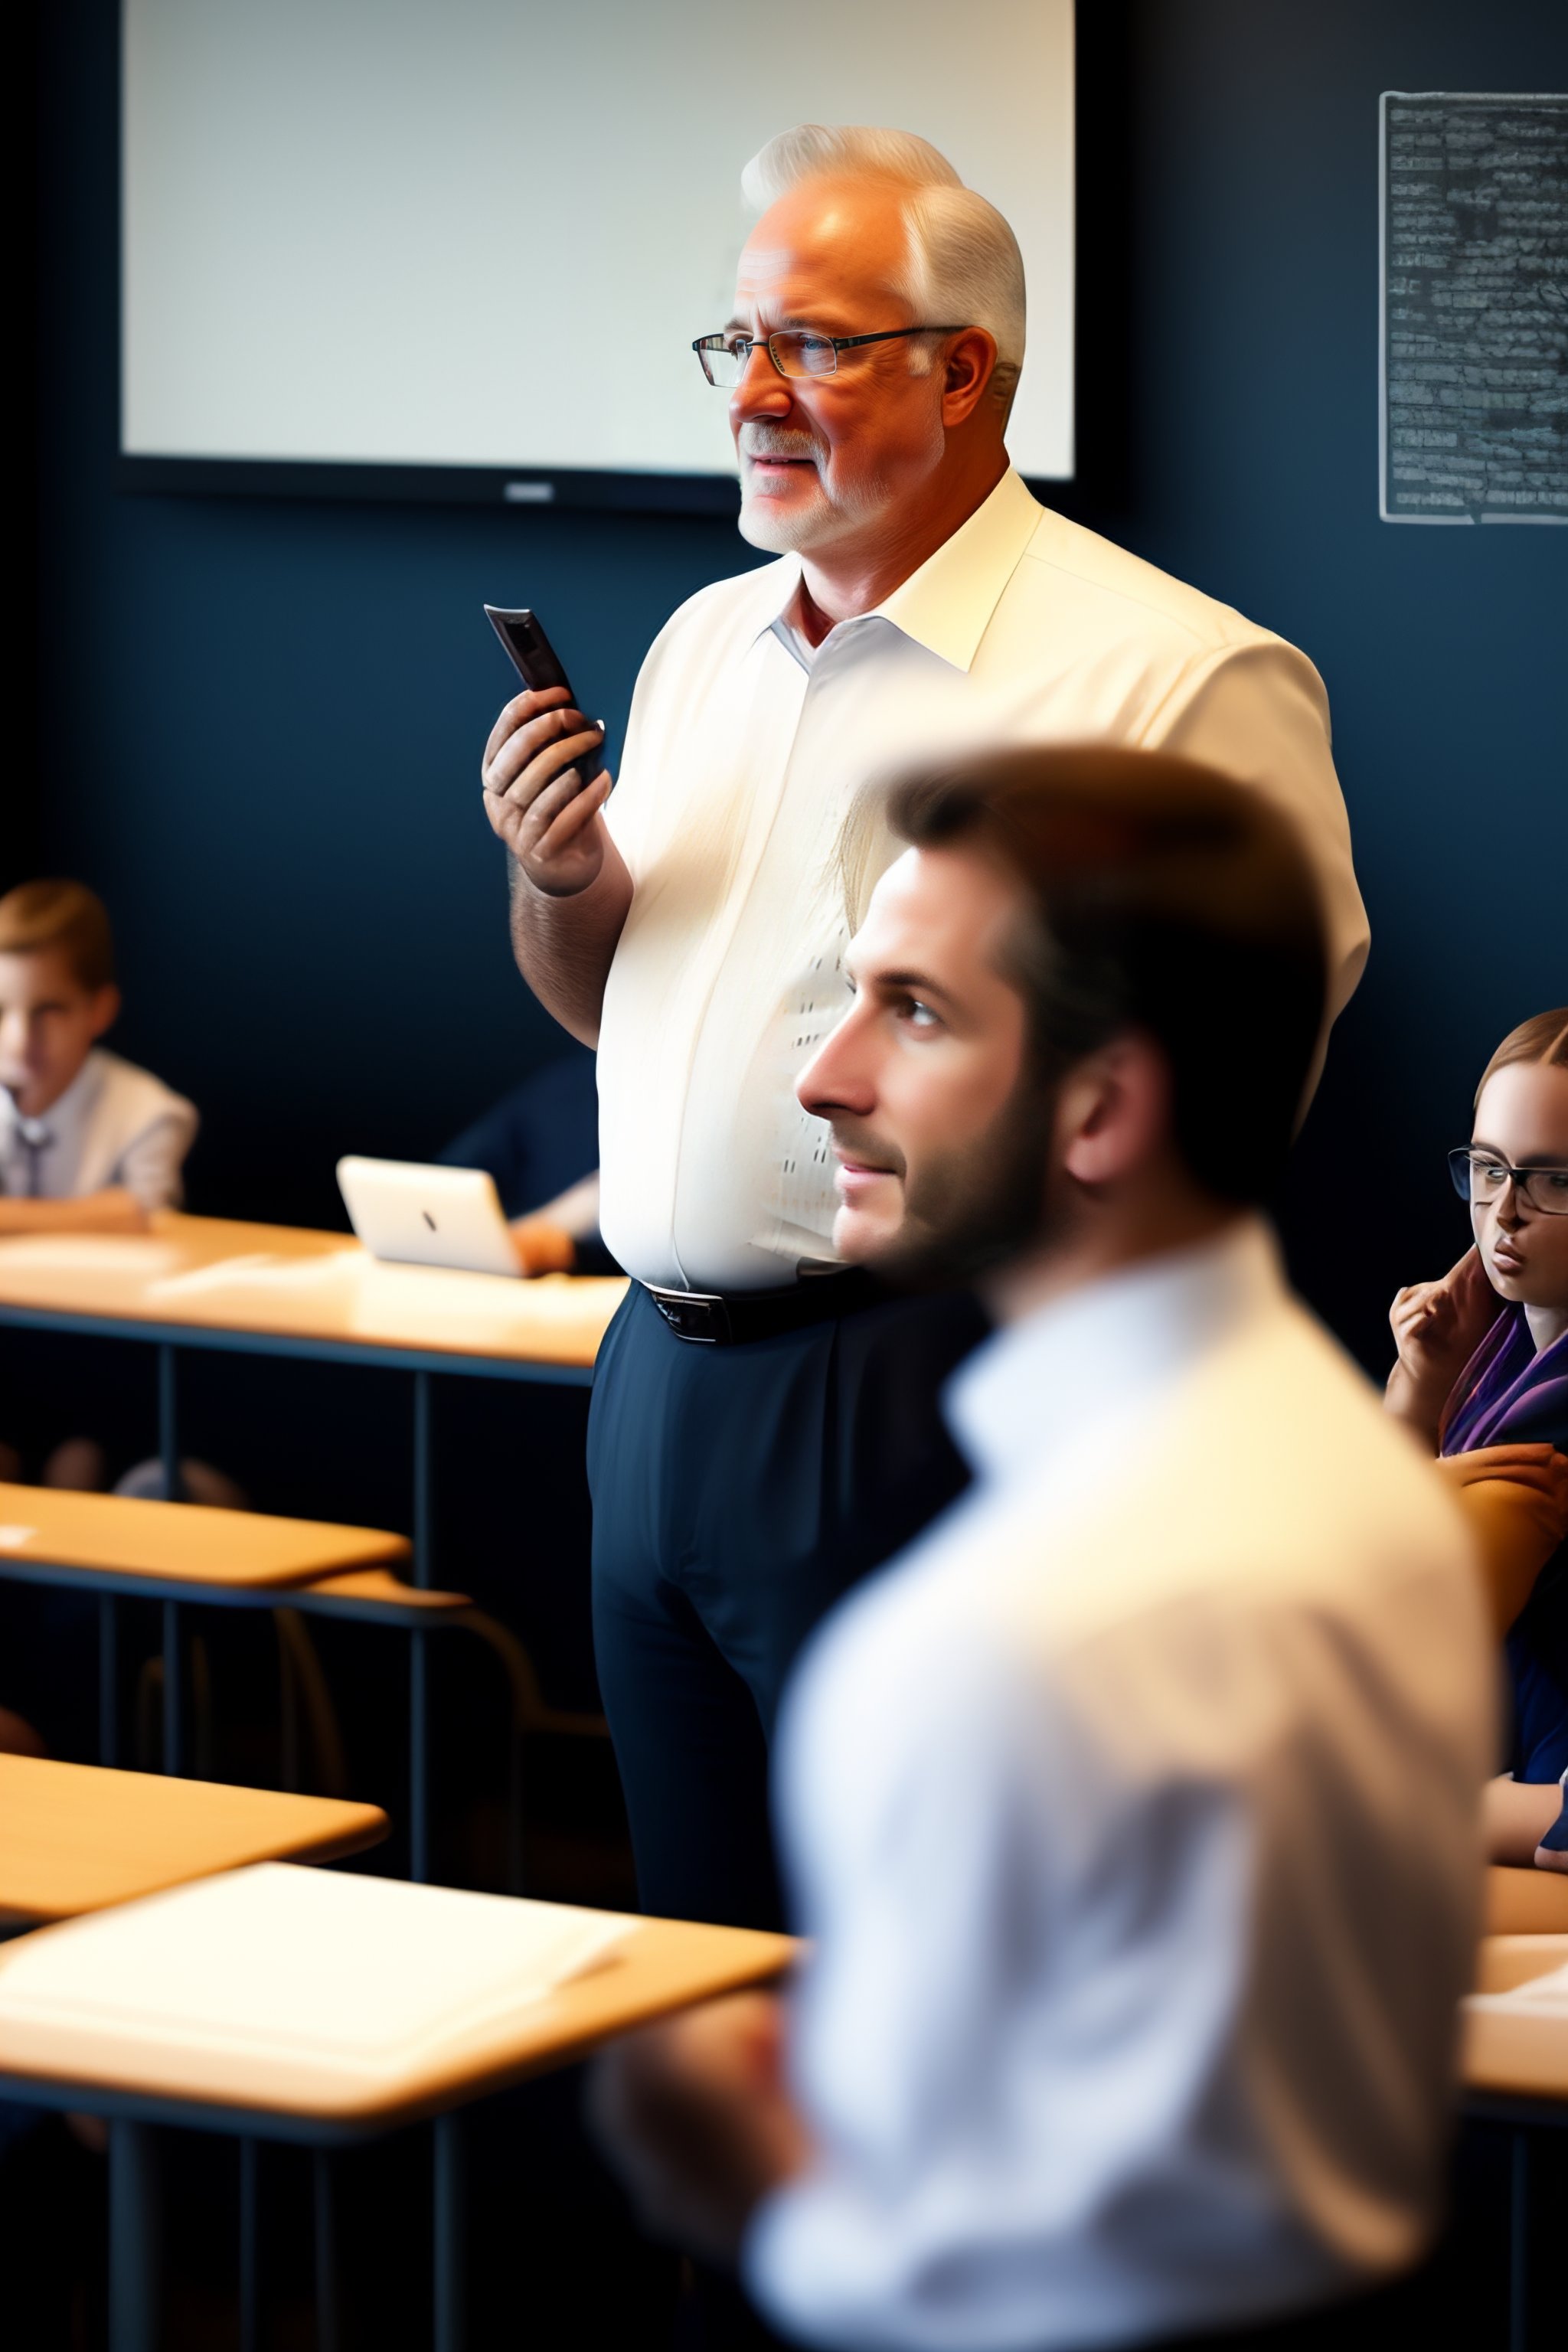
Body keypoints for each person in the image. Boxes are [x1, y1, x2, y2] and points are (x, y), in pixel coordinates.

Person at [481, 124, 1370, 1927]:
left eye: (810, 344)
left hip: (932, 1386)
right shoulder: (696, 646)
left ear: (965, 371)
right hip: (651, 1382)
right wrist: (557, 878)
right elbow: (607, 1015)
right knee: (695, 1975)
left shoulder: (1169, 673)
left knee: (934, 1987)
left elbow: (1249, 1082)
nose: (751, 396)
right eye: (737, 346)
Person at [593, 745, 1494, 2352]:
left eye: (915, 1013)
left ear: (1097, 1108)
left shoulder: (990, 1647)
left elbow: (975, 2284)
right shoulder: (1369, 1485)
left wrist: (747, 2175)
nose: (825, 1076)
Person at [1387, 1008, 1568, 1875]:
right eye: (1487, 1170)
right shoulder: (1496, 1345)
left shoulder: (1549, 1410)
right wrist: (1422, 1383)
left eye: (1550, 1182)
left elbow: (1393, 1631)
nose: (1503, 1215)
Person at [0, 879, 197, 1232]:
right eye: (0, 1011)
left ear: (100, 1010)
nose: (20, 1041)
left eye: (48, 1010)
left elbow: (148, 1215)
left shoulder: (151, 1114)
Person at [436, 1049, 616, 1276]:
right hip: (482, 1264)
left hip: (589, 1284)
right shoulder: (564, 1088)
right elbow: (451, 1176)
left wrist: (549, 1244)